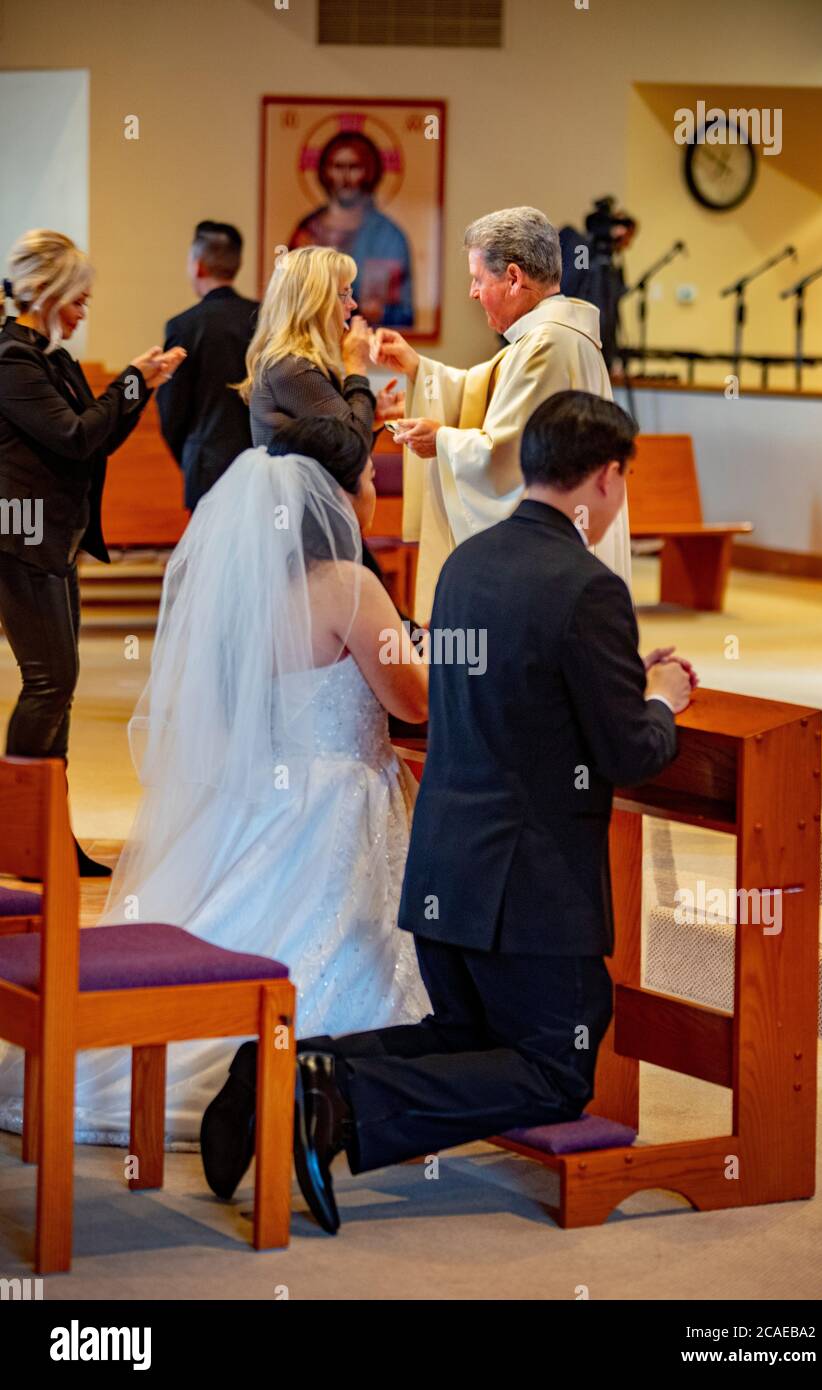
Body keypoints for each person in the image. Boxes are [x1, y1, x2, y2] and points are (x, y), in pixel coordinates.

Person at [202, 390, 697, 1232]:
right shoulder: (590, 586)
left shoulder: (466, 563)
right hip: (529, 886)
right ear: (609, 478)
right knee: (553, 1070)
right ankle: (336, 1096)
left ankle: (283, 1065)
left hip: (446, 861)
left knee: (463, 1035)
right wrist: (661, 698)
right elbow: (627, 752)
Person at [0, 418, 430, 1147]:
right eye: (365, 481)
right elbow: (412, 701)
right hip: (335, 805)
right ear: (337, 496)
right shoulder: (350, 586)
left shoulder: (250, 592)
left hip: (260, 794)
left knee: (230, 913)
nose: (373, 493)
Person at [0, 229, 185, 877]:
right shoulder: (12, 362)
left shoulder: (50, 358)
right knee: (50, 682)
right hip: (20, 540)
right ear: (46, 293)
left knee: (60, 684)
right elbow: (77, 438)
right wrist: (132, 381)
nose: (84, 311)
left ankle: (49, 835)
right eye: (78, 298)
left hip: (57, 538)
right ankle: (20, 835)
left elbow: (96, 439)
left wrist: (143, 387)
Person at [370, 206, 632, 622]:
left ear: (513, 277)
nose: (472, 292)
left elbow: (508, 455)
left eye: (477, 278)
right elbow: (486, 387)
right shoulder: (545, 337)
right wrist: (419, 370)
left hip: (554, 551)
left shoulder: (548, 343)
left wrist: (440, 439)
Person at [242, 244, 403, 449]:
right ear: (316, 302)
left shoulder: (300, 363)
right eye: (344, 293)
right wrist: (355, 363)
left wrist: (372, 418)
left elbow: (346, 457)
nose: (353, 304)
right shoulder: (291, 367)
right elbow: (353, 446)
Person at [157, 220, 258, 510]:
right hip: (262, 465)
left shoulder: (184, 326)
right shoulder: (266, 318)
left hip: (206, 466)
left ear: (198, 265)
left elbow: (171, 409)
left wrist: (190, 455)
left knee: (211, 554)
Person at [289, 131, 413, 328]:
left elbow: (404, 310)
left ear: (370, 172)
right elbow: (290, 296)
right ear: (325, 172)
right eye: (337, 167)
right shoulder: (308, 230)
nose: (345, 177)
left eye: (354, 167)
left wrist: (380, 311)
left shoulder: (388, 236)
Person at [560, 197, 638, 371]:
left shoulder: (610, 262)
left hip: (601, 347)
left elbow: (613, 304)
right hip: (578, 339)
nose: (626, 241)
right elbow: (571, 284)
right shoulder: (582, 249)